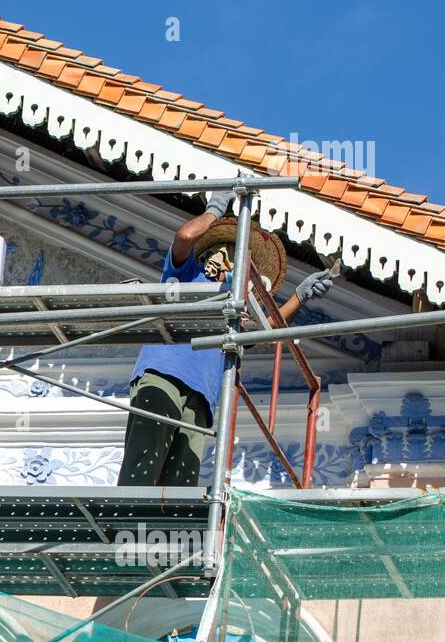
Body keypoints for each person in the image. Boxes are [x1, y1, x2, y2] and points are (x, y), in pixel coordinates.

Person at [116, 190, 335, 487]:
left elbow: (268, 329)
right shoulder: (188, 276)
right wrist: (215, 210)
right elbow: (184, 237)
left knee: (178, 491)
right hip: (162, 377)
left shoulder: (234, 311)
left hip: (201, 400)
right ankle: (125, 529)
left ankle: (157, 533)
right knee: (141, 471)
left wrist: (300, 296)